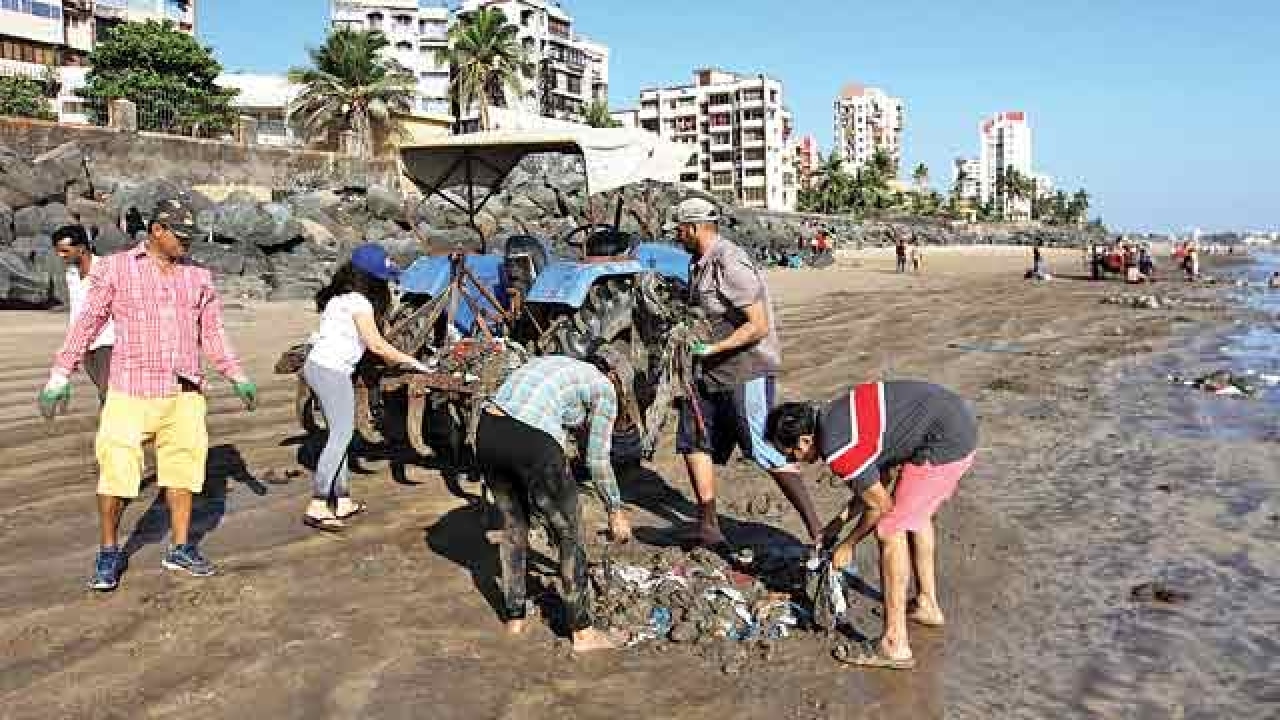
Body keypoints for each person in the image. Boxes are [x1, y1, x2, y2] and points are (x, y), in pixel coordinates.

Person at [37, 199, 258, 592]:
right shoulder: (118, 268)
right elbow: (87, 323)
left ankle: (180, 546)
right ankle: (108, 551)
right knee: (117, 475)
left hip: (184, 392)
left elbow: (212, 333)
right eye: (181, 236)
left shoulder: (198, 278)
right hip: (131, 391)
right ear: (157, 230)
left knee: (183, 474)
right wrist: (60, 374)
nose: (187, 245)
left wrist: (235, 374)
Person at [765, 380, 978, 670]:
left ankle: (894, 644)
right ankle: (927, 604)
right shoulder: (834, 417)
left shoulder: (837, 448)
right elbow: (880, 480)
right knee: (914, 515)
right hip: (956, 421)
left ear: (804, 440)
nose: (794, 460)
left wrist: (847, 546)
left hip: (944, 442)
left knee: (889, 530)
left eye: (790, 454)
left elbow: (879, 506)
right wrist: (836, 524)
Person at [665, 198, 823, 550]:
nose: (676, 237)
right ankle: (709, 525)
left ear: (693, 228)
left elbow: (758, 326)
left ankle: (817, 531)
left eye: (678, 230)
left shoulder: (729, 262)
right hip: (707, 372)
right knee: (693, 439)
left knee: (763, 445)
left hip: (744, 369)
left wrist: (713, 349)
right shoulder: (698, 264)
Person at [474, 355, 633, 653]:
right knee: (569, 533)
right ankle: (583, 633)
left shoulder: (561, 365)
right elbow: (597, 460)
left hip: (487, 433)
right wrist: (615, 510)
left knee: (513, 529)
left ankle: (515, 619)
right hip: (530, 441)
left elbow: (559, 422)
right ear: (616, 379)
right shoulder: (604, 389)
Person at [302, 244, 427, 532]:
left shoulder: (338, 298)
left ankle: (342, 499)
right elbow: (376, 345)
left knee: (339, 435)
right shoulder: (360, 303)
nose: (386, 281)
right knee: (341, 435)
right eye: (383, 276)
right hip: (333, 372)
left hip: (317, 366)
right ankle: (318, 504)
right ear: (370, 277)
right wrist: (412, 362)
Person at [52, 225, 115, 403]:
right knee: (103, 392)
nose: (60, 255)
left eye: (65, 250)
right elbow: (76, 311)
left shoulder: (105, 269)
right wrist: (72, 350)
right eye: (58, 251)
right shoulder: (71, 274)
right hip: (86, 345)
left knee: (110, 394)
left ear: (81, 249)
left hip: (109, 342)